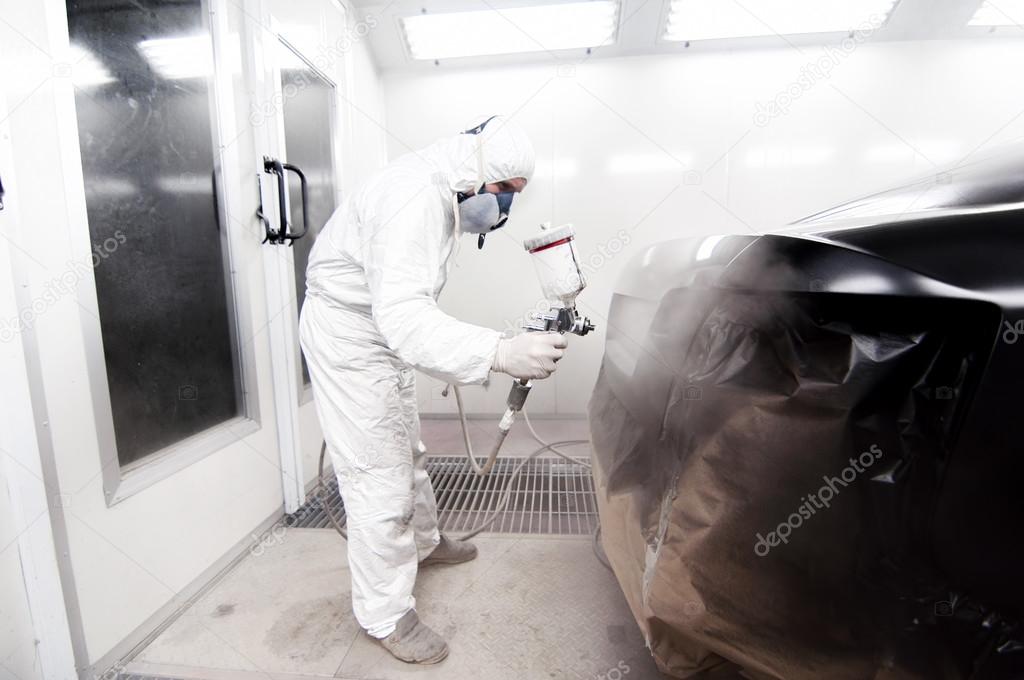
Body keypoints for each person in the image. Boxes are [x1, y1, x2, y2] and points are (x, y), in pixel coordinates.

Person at [298, 115, 568, 664]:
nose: (506, 210)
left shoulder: (443, 188)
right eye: (505, 193)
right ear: (477, 170)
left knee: (409, 450)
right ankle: (385, 613)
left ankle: (424, 543)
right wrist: (499, 351)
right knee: (378, 473)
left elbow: (402, 310)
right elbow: (403, 317)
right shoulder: (412, 197)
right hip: (351, 334)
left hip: (376, 331)